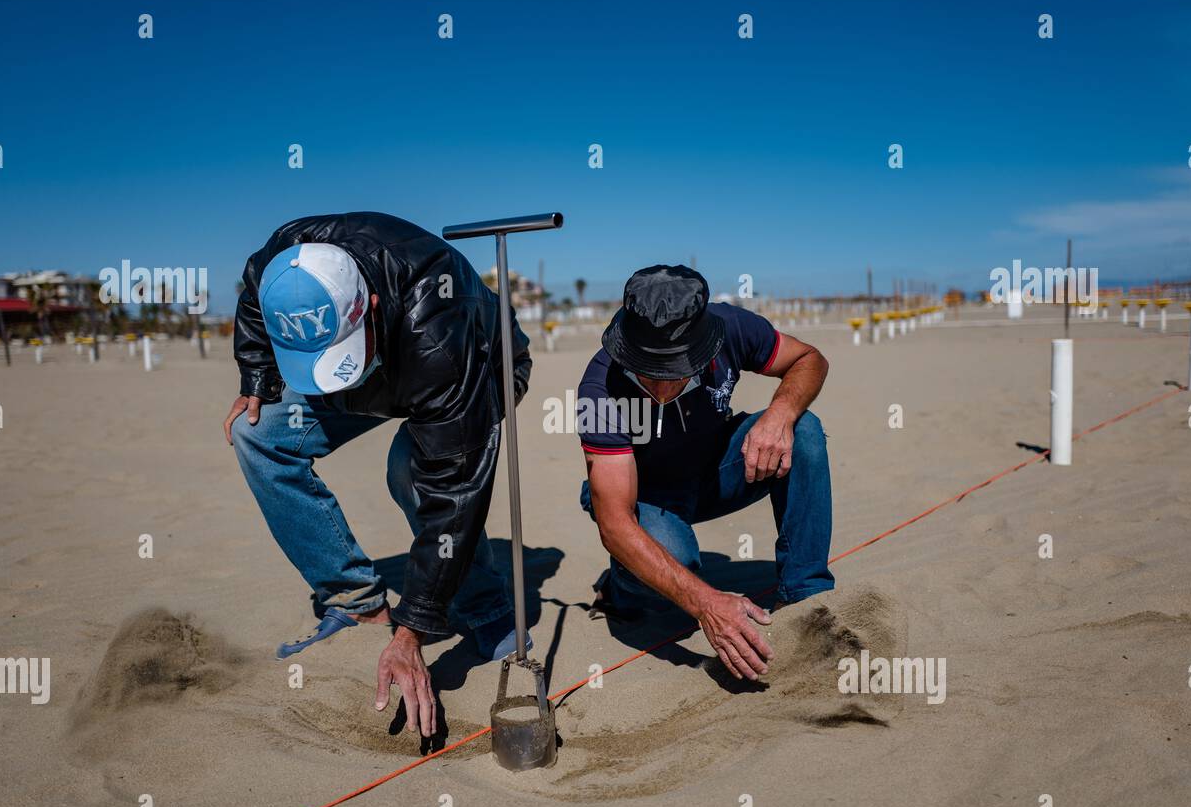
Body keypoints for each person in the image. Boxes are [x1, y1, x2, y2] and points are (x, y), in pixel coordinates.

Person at [222, 211, 532, 737]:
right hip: (371, 367)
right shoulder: (279, 262)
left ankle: (484, 605)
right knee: (259, 435)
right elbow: (253, 296)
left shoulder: (438, 333)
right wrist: (256, 374)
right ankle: (356, 602)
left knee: (409, 470)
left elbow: (454, 490)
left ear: (368, 305)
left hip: (474, 365)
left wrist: (413, 631)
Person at [576, 265, 833, 681]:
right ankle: (620, 587)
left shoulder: (731, 326)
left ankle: (806, 598)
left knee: (804, 431)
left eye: (673, 370)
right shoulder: (599, 389)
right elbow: (616, 524)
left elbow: (810, 359)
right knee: (678, 562)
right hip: (646, 495)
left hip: (718, 471)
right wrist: (706, 604)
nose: (660, 388)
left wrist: (780, 414)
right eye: (649, 369)